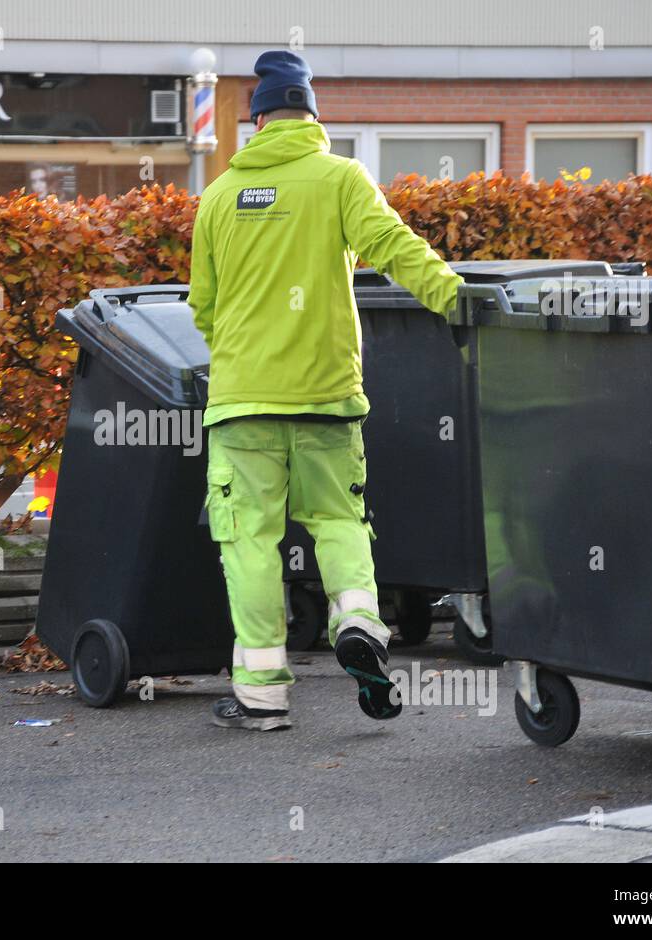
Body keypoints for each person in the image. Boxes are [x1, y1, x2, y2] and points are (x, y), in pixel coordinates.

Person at [188, 50, 462, 731]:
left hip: (243, 403)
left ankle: (261, 695)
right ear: (312, 115)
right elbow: (396, 248)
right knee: (339, 520)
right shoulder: (340, 178)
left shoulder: (219, 195)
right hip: (326, 397)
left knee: (250, 541)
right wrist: (457, 300)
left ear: (256, 122)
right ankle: (361, 620)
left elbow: (203, 306)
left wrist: (244, 353)